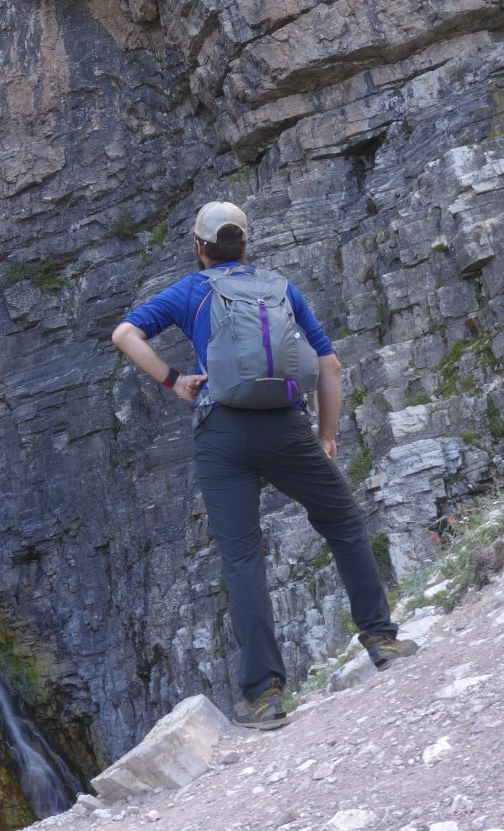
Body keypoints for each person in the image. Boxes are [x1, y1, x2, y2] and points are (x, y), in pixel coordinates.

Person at [111, 201, 417, 730]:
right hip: (286, 427)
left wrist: (173, 379)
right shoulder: (280, 288)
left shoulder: (191, 290)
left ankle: (266, 698)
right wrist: (324, 434)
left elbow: (125, 335)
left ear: (200, 247)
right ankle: (381, 641)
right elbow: (330, 365)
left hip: (221, 434)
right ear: (245, 244)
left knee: (242, 557)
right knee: (343, 523)